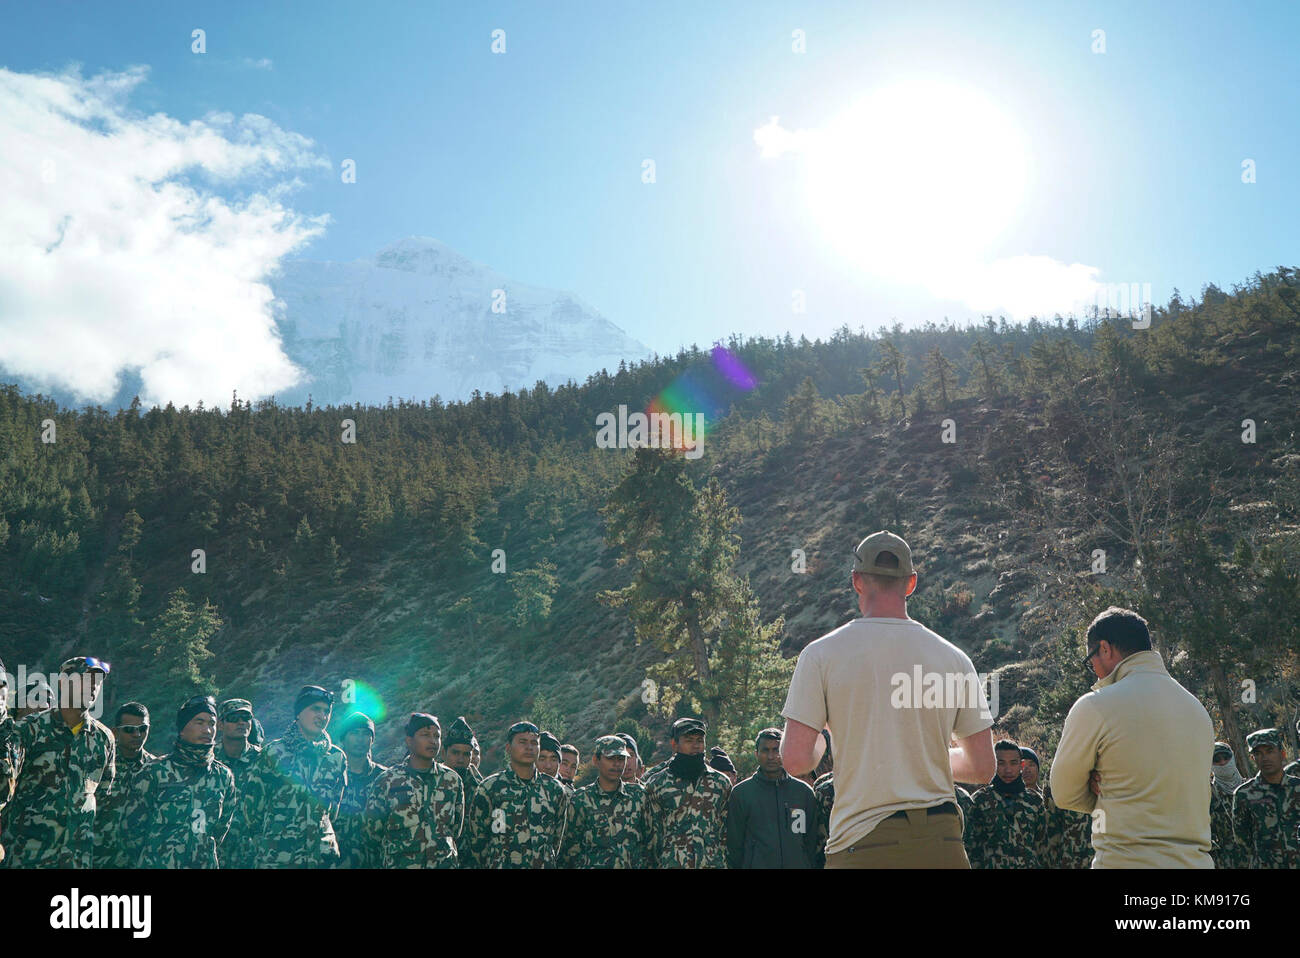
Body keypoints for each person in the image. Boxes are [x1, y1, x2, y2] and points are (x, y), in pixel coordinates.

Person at [780, 531, 995, 868]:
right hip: (942, 843)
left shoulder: (821, 655)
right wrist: (922, 756)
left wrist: (824, 737)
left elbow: (795, 760)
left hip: (862, 843)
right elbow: (983, 768)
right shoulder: (955, 659)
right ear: (910, 584)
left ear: (856, 581)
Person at [1050, 606, 1213, 868]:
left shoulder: (1096, 706)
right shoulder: (1197, 710)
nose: (1093, 669)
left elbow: (1064, 793)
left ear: (1104, 648)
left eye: (1090, 659)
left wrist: (1112, 795)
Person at [0, 656, 116, 869]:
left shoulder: (103, 738)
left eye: (97, 683)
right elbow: (4, 790)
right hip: (26, 858)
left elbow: (102, 799)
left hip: (76, 861)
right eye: (85, 680)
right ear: (63, 681)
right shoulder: (30, 729)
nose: (93, 687)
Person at [117, 695, 237, 868]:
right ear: (182, 728)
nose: (207, 730)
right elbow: (131, 830)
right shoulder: (154, 771)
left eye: (211, 723)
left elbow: (220, 829)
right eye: (199, 722)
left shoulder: (223, 776)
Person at [240, 685, 348, 868]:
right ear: (299, 712)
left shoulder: (336, 758)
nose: (322, 716)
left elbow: (333, 812)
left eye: (326, 711)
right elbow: (252, 809)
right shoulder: (274, 753)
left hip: (320, 858)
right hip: (278, 857)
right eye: (315, 709)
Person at [364, 713, 464, 868]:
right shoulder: (387, 781)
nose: (432, 741)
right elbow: (373, 833)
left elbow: (455, 829)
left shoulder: (452, 780)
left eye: (437, 736)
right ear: (409, 741)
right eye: (425, 735)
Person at [463, 721, 568, 868]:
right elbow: (477, 840)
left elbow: (556, 840)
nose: (529, 747)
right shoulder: (490, 788)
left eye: (534, 743)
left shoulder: (554, 789)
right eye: (522, 742)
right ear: (508, 748)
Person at [643, 717, 730, 868]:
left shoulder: (720, 783)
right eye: (689, 740)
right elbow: (652, 836)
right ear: (674, 744)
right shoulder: (657, 784)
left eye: (700, 740)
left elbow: (726, 831)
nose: (696, 746)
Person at [726, 728, 818, 868]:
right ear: (756, 754)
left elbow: (812, 841)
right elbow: (734, 846)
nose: (771, 756)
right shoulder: (741, 793)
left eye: (776, 750)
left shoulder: (804, 792)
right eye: (765, 750)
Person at [559, 735, 651, 868]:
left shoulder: (639, 796)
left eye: (621, 759)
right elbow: (569, 852)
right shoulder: (581, 800)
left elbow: (651, 844)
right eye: (610, 758)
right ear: (596, 760)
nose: (617, 764)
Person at [964, 739, 1047, 868]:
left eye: (1013, 763)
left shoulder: (1035, 801)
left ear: (1021, 765)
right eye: (1001, 763)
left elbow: (1043, 848)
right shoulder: (979, 800)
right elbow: (971, 848)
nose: (1008, 770)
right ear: (993, 764)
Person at [95, 701, 159, 868]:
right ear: (115, 732)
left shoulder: (157, 770)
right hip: (99, 859)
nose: (137, 735)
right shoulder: (100, 763)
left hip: (137, 861)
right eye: (129, 729)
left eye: (143, 729)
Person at [1230, 727, 1300, 869]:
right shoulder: (1244, 794)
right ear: (1252, 758)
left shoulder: (1297, 787)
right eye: (1258, 753)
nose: (1265, 758)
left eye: (1270, 751)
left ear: (1282, 754)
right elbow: (1242, 839)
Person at [214, 697, 262, 869]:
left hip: (254, 855)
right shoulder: (208, 760)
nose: (241, 722)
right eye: (234, 718)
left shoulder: (264, 761)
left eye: (246, 717)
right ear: (220, 724)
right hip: (216, 855)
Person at [334, 711, 387, 868]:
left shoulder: (385, 778)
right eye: (354, 733)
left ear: (372, 740)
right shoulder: (330, 775)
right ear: (343, 738)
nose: (360, 739)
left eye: (365, 734)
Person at [1209, 741, 1247, 869]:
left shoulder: (1250, 789)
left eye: (1226, 757)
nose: (1223, 762)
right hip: (1225, 862)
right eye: (1217, 759)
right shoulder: (1207, 795)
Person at [443, 716, 483, 794]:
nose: (460, 760)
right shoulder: (430, 782)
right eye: (455, 753)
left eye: (466, 754)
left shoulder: (481, 788)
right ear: (443, 753)